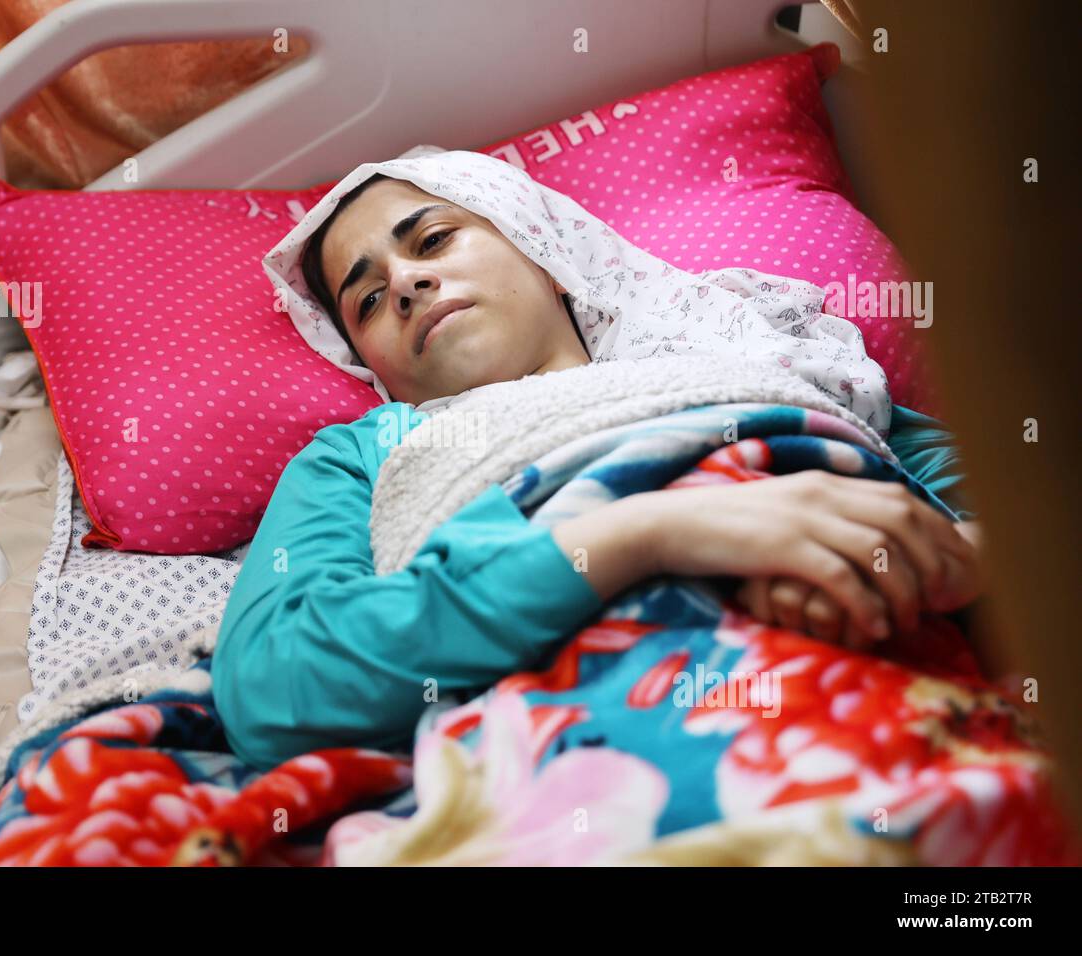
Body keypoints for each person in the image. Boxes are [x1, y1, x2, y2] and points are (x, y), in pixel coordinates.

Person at [210, 154, 980, 772]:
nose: (405, 283)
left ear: (543, 252)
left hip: (904, 704)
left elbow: (1023, 529)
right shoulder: (365, 455)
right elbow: (273, 688)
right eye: (367, 300)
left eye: (433, 240)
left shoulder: (758, 362)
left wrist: (935, 563)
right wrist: (642, 535)